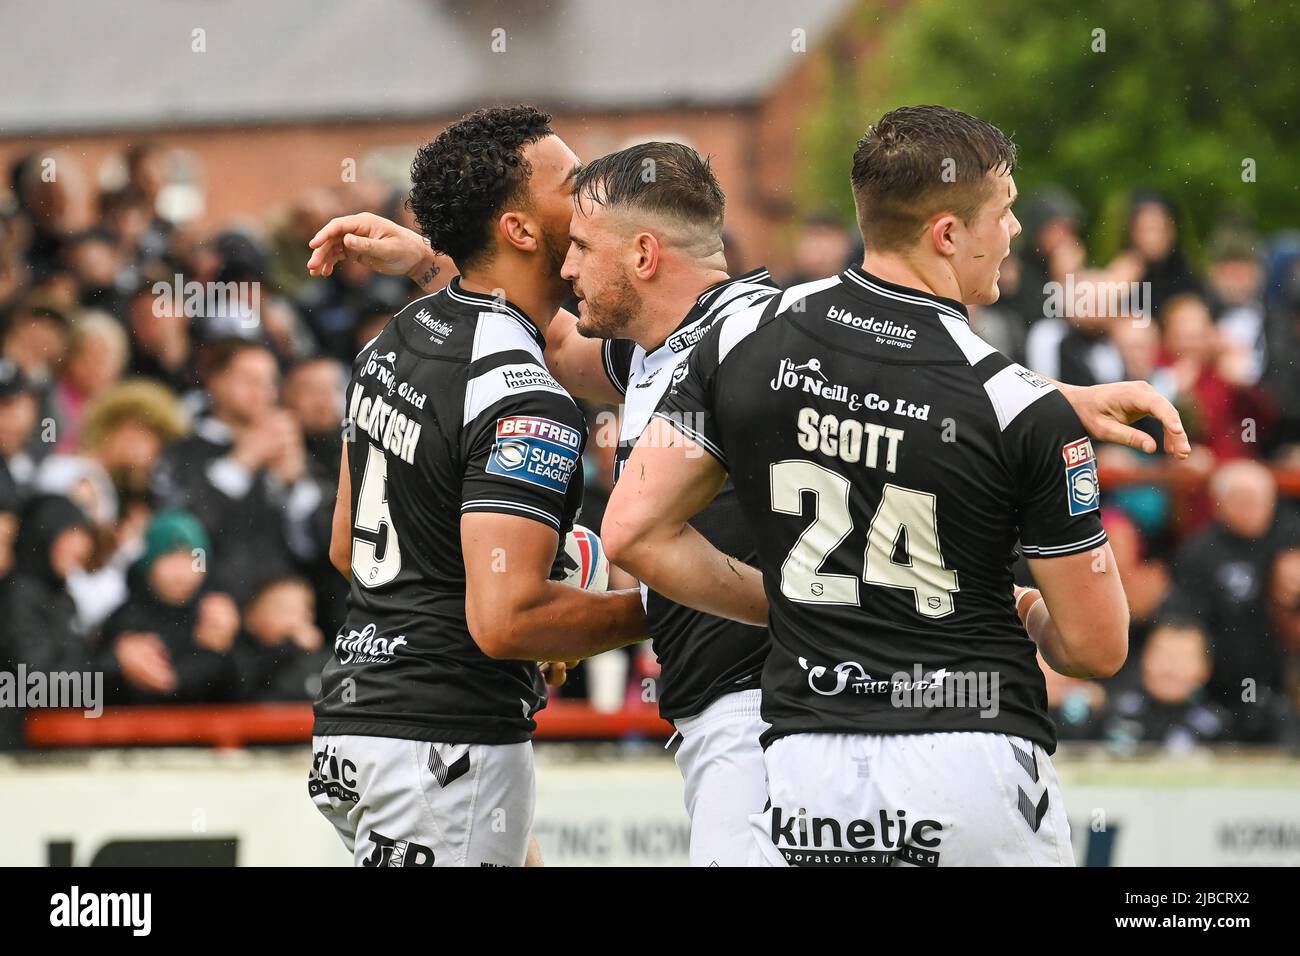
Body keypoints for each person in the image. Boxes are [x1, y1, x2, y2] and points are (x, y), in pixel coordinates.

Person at [604, 105, 1182, 866]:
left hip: (808, 772)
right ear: (947, 233)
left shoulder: (740, 341)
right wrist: (1028, 604)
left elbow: (634, 532)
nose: (1012, 234)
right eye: (1003, 214)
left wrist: (785, 598)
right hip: (970, 757)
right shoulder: (1022, 409)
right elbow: (1097, 648)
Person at [307, 106, 646, 868]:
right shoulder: (526, 397)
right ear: (522, 230)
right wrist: (668, 609)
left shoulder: (393, 339)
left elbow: (344, 548)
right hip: (443, 744)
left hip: (355, 727)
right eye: (574, 181)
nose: (594, 193)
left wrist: (431, 260)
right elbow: (507, 621)